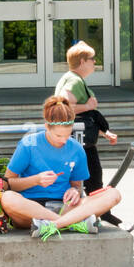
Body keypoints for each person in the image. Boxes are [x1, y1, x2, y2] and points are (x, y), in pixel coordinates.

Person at [1, 95, 124, 240]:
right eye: (58, 135)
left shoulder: (77, 148)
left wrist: (74, 191)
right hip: (30, 209)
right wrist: (36, 180)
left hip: (64, 207)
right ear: (47, 126)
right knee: (8, 198)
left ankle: (54, 225)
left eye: (67, 135)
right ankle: (72, 224)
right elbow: (7, 184)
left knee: (113, 194)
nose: (64, 140)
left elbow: (77, 186)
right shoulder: (29, 144)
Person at [53, 40, 123, 227]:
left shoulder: (70, 78)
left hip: (76, 139)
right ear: (82, 61)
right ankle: (99, 212)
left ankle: (96, 213)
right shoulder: (74, 80)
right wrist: (88, 105)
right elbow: (64, 107)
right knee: (92, 177)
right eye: (92, 59)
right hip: (80, 141)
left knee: (87, 178)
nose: (95, 62)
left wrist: (104, 132)